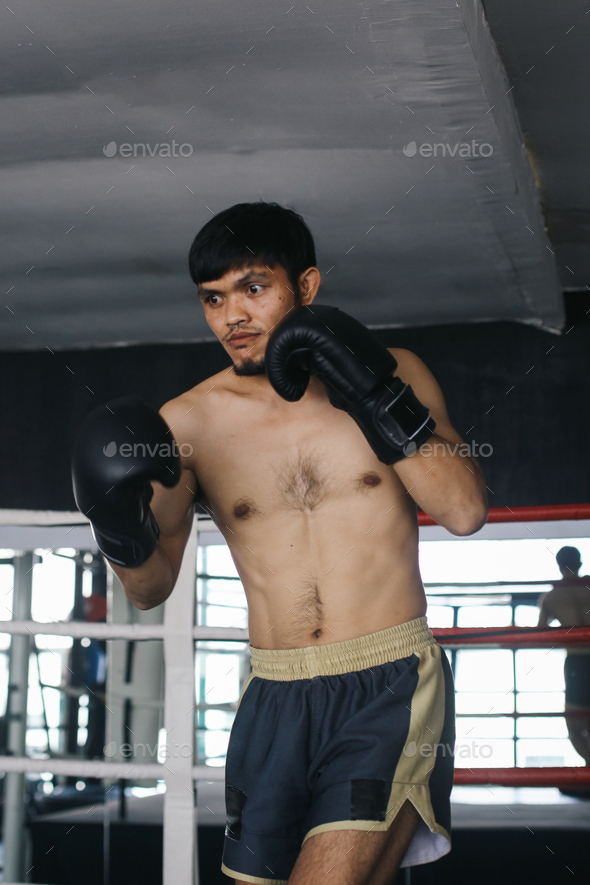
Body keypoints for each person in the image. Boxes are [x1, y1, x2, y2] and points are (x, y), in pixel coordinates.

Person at [72, 202, 488, 885]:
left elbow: (465, 508)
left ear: (308, 286)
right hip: (273, 696)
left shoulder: (395, 370)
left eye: (253, 288)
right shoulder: (186, 422)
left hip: (387, 686)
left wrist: (373, 389)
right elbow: (149, 589)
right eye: (213, 298)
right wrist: (113, 521)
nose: (232, 315)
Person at [538, 546, 590, 766]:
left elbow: (540, 632)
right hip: (579, 660)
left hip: (577, 661)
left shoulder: (552, 596)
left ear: (559, 566)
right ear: (579, 563)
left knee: (575, 725)